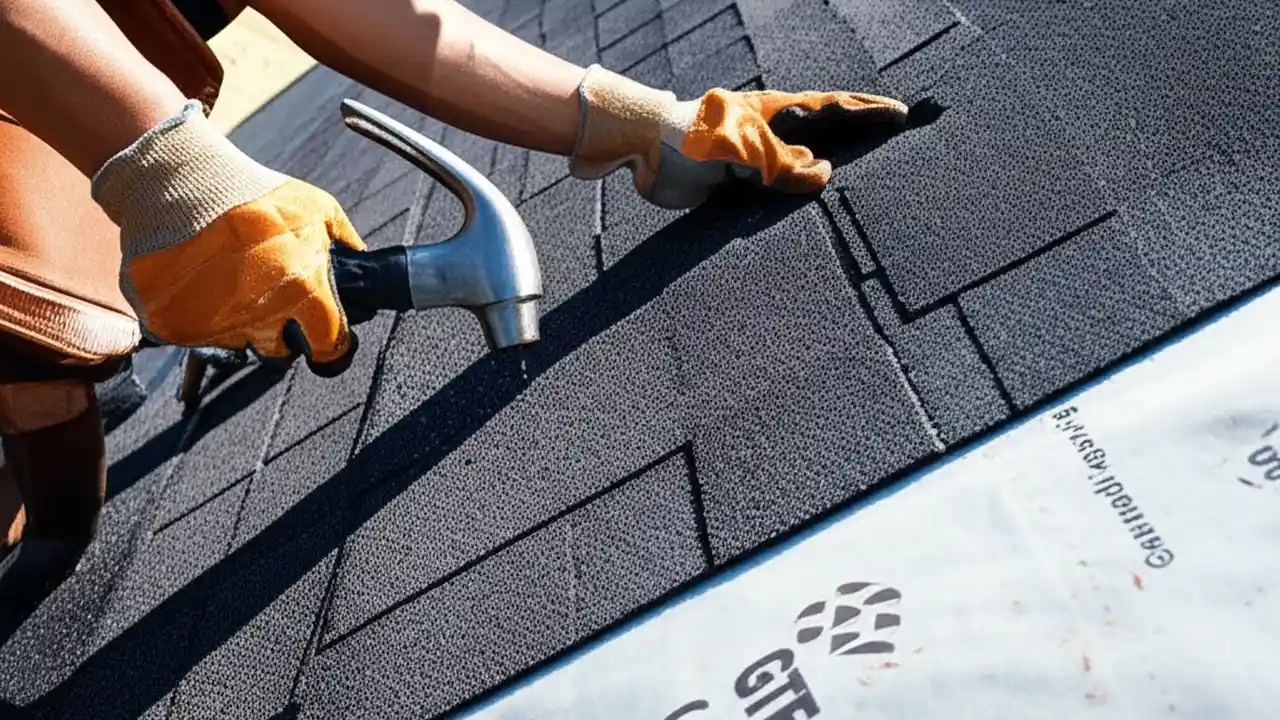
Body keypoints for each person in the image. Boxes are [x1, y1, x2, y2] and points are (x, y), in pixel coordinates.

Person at [0, 0, 907, 605]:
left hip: (50, 213)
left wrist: (641, 122)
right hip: (34, 262)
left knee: (56, 409)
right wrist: (173, 174)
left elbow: (399, 19)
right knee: (45, 414)